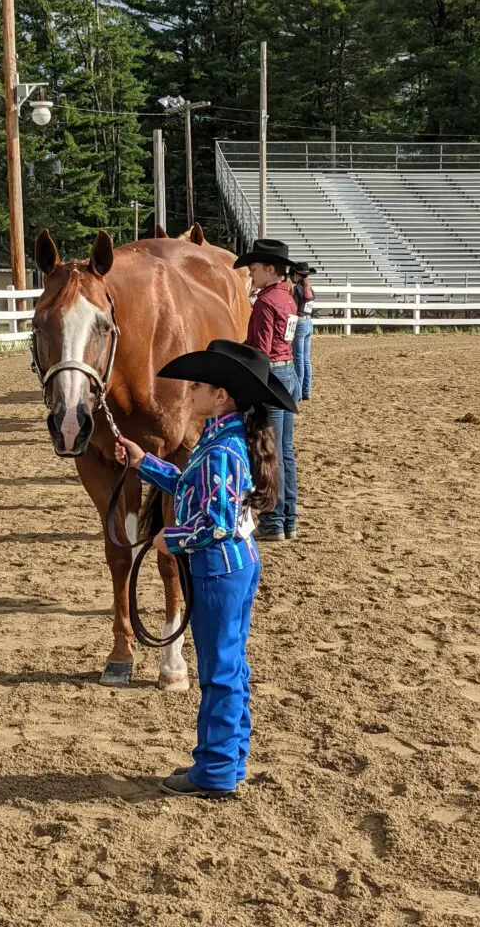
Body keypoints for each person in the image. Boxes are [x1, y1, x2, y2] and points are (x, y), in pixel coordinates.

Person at [114, 340, 296, 799]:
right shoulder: (224, 438)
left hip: (218, 569)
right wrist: (144, 463)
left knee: (218, 669)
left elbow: (212, 525)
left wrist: (168, 538)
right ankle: (228, 758)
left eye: (197, 385)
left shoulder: (219, 450)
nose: (188, 391)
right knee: (230, 667)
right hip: (233, 565)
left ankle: (215, 770)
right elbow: (194, 490)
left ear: (220, 395)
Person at [234, 239, 301, 542]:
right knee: (286, 451)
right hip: (287, 372)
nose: (251, 273)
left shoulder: (264, 302)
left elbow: (260, 350)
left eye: (255, 268)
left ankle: (273, 520)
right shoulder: (287, 298)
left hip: (270, 374)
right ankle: (288, 518)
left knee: (269, 452)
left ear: (270, 269)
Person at [291, 262, 316, 401]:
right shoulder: (310, 289)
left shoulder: (297, 290)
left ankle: (298, 393)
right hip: (308, 322)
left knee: (298, 360)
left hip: (299, 323)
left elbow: (292, 308)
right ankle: (306, 391)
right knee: (306, 360)